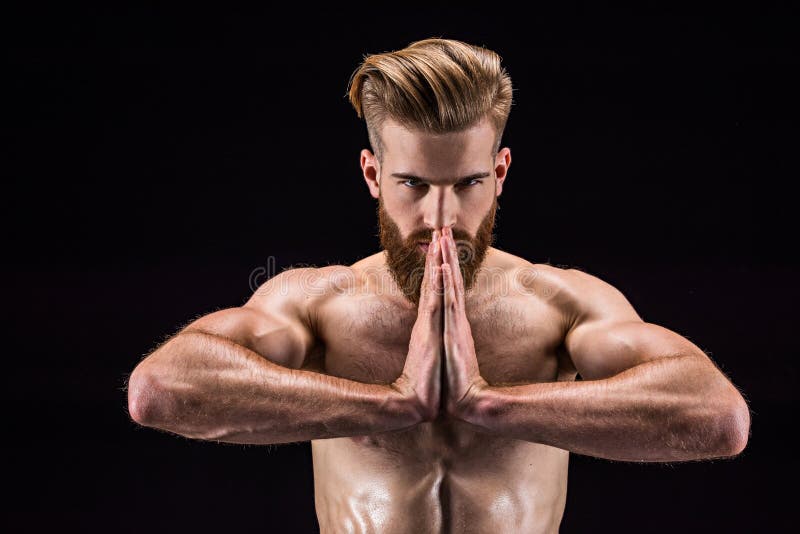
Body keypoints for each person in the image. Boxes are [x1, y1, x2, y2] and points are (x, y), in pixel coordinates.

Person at [127, 37, 751, 532]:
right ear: (373, 174)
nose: (442, 218)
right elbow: (159, 390)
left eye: (469, 184)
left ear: (501, 171)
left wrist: (489, 403)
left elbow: (718, 418)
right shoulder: (318, 305)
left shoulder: (560, 305)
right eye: (414, 185)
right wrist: (394, 403)